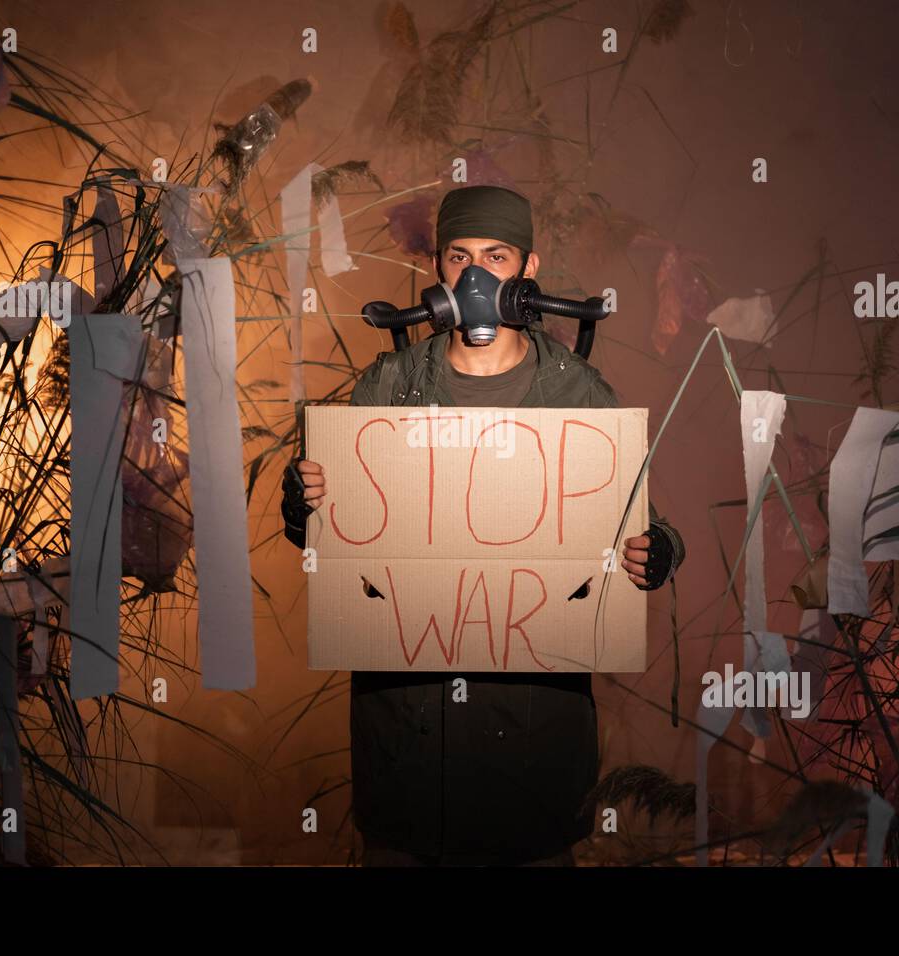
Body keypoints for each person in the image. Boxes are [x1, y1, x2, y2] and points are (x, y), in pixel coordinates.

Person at [281, 184, 684, 866]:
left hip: (534, 753)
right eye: (458, 256)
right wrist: (305, 501)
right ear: (436, 269)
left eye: (496, 256)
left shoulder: (579, 395)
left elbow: (644, 524)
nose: (475, 275)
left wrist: (658, 552)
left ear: (530, 268)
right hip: (408, 751)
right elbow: (328, 543)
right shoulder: (387, 387)